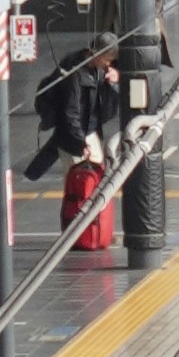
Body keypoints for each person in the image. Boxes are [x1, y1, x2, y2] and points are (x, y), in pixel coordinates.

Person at [23, 39, 120, 258]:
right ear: (96, 53)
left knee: (93, 181)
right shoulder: (74, 74)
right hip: (75, 136)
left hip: (90, 132)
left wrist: (112, 85)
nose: (109, 65)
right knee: (80, 183)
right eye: (108, 59)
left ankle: (93, 228)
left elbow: (106, 112)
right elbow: (70, 113)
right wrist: (79, 142)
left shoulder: (96, 71)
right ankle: (82, 230)